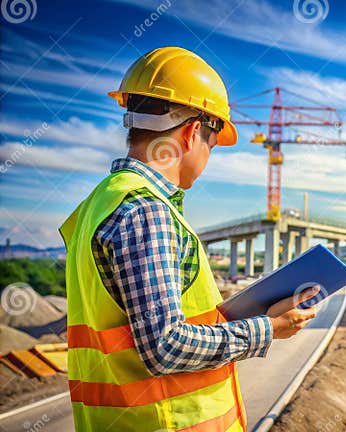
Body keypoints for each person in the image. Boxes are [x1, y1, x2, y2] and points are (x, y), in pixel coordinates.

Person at [59, 46, 317, 431]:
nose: (208, 157)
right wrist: (270, 328)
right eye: (212, 145)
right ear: (194, 131)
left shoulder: (98, 203)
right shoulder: (148, 212)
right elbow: (165, 346)